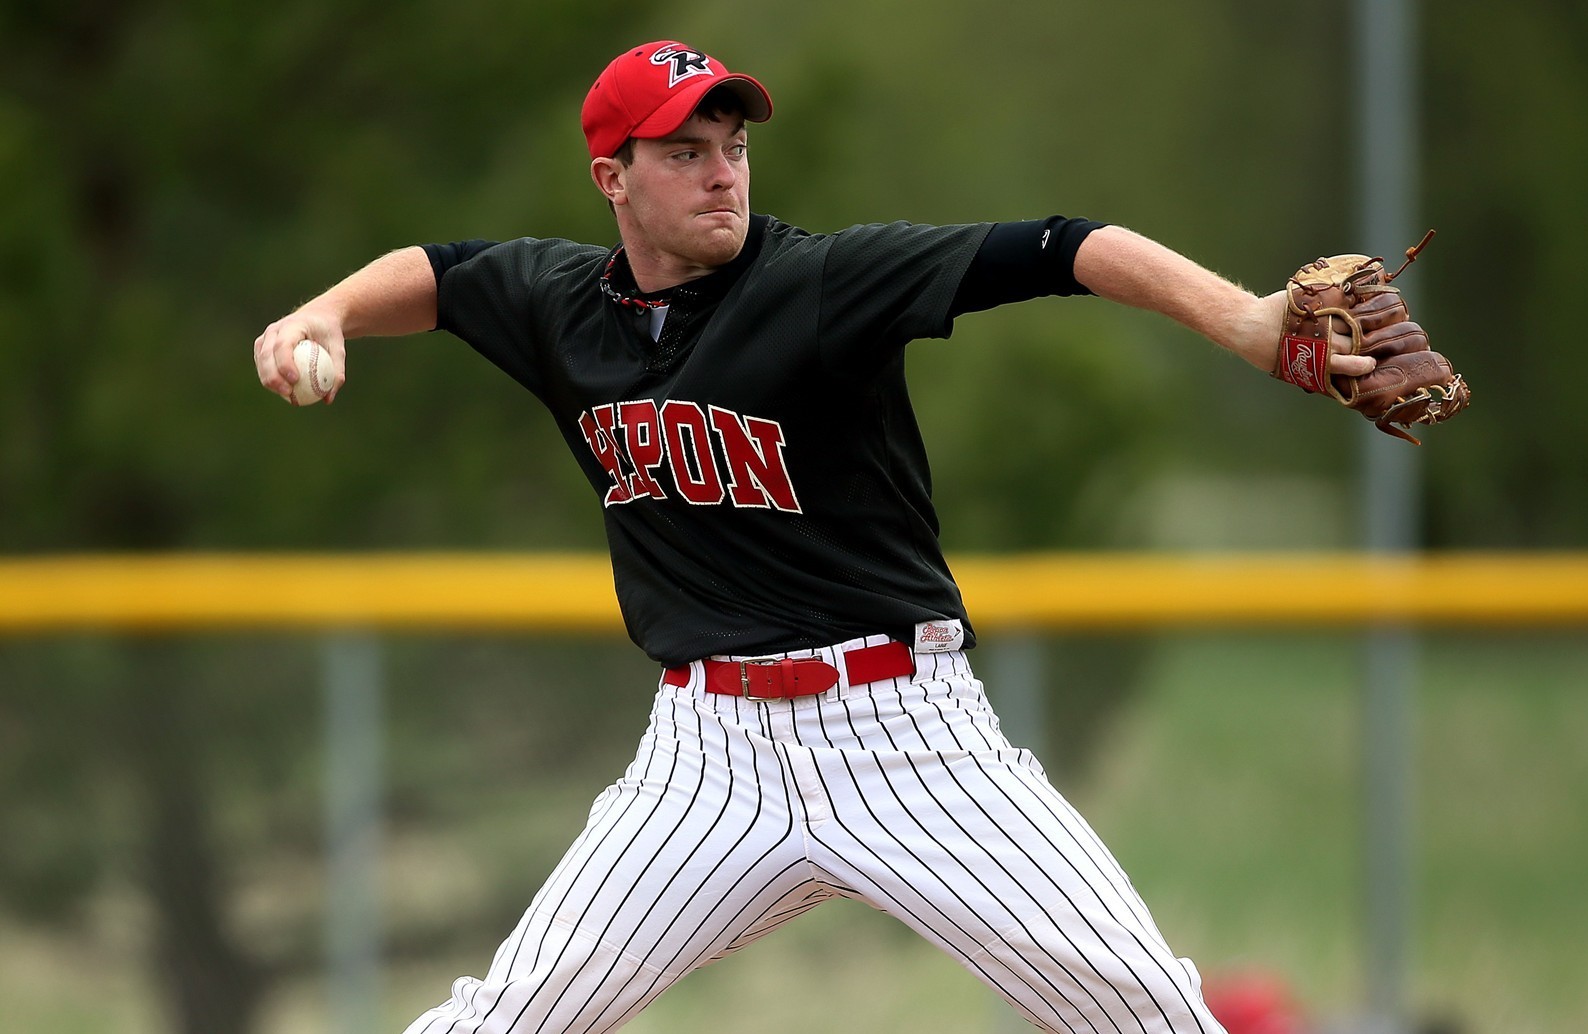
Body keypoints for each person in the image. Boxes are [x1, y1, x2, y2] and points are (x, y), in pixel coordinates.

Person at [254, 40, 1378, 1034]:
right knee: (509, 1015)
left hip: (908, 739)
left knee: (1148, 1012)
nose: (721, 170)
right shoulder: (562, 305)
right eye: (683, 150)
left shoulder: (817, 281)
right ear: (614, 178)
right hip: (704, 762)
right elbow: (442, 276)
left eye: (731, 143)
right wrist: (324, 314)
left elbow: (1062, 247)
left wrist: (1242, 320)